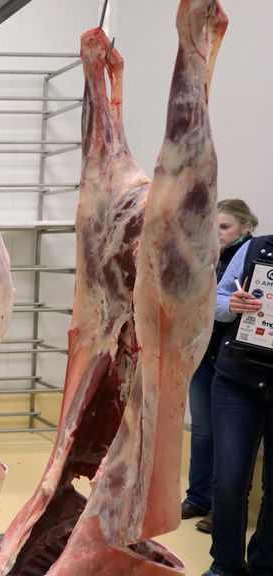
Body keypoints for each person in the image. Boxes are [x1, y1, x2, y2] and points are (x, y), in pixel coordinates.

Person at [183, 199, 257, 533]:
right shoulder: (203, 255)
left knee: (229, 437)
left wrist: (220, 306)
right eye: (213, 226)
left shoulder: (255, 258)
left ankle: (220, 508)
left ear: (245, 226)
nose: (218, 233)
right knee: (201, 430)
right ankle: (198, 497)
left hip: (235, 360)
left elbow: (219, 306)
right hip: (202, 352)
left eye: (224, 226)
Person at [202, 231, 272, 576]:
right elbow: (215, 303)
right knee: (228, 481)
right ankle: (225, 565)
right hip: (237, 382)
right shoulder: (257, 248)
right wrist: (232, 304)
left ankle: (265, 566)